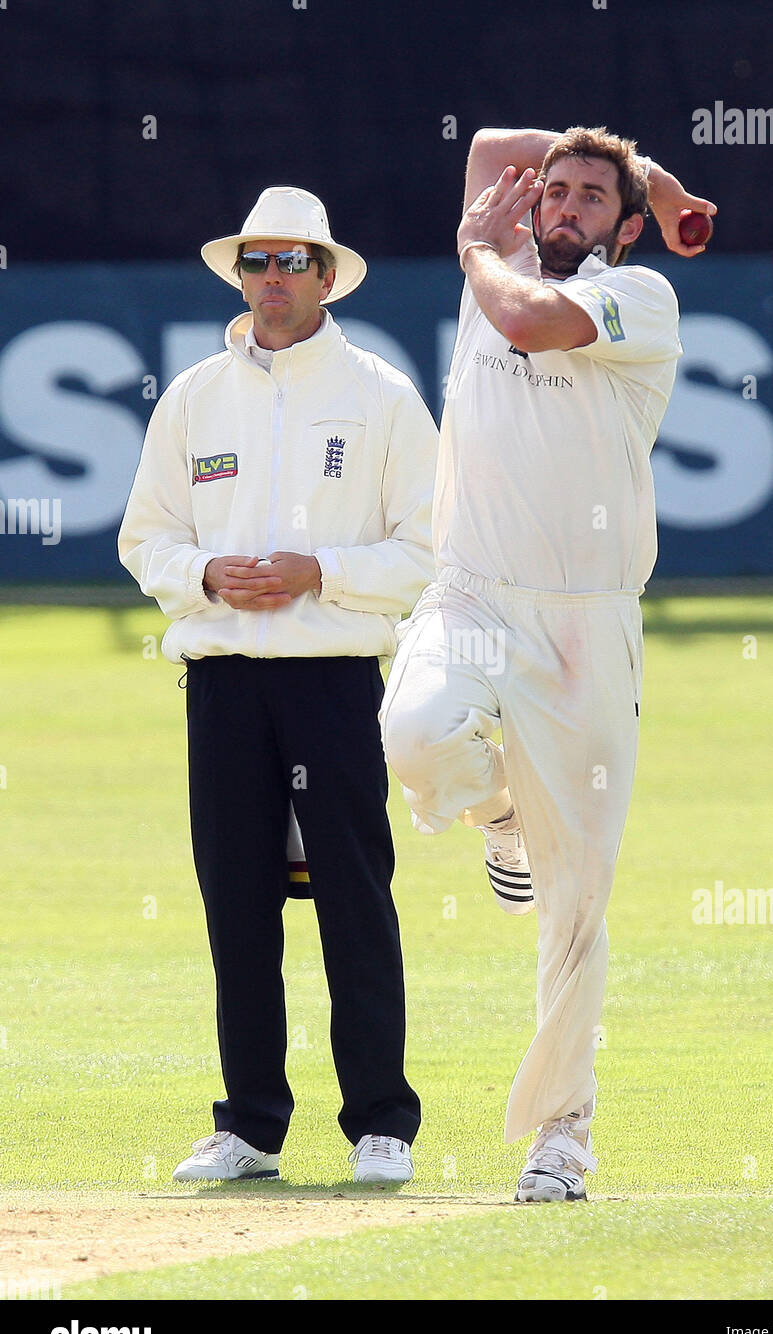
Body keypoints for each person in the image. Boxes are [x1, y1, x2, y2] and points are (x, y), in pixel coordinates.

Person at [381, 128, 715, 1201]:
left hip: (583, 625)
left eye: (590, 199)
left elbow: (523, 321)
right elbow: (489, 142)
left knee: (575, 899)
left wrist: (478, 248)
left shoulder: (636, 301)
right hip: (471, 591)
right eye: (554, 193)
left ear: (618, 232)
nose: (563, 206)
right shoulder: (504, 237)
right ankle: (498, 817)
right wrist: (656, 179)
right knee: (416, 736)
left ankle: (560, 1134)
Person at [119, 186, 438, 1185]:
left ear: (326, 275)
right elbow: (146, 537)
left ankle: (380, 1120)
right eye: (256, 261)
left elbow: (426, 548)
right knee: (236, 901)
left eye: (292, 261)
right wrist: (206, 575)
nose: (271, 279)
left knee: (354, 896)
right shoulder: (196, 395)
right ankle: (251, 1123)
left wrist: (319, 573)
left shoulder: (382, 394)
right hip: (221, 683)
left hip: (333, 678)